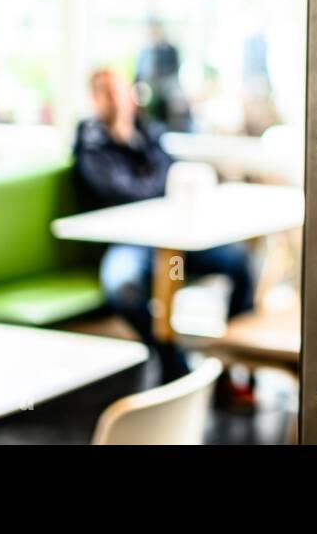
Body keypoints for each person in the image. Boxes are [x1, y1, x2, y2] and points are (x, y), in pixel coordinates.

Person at [73, 68, 255, 384]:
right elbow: (119, 192)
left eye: (119, 89)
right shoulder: (91, 140)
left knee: (239, 262)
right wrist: (152, 182)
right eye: (105, 91)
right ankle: (173, 361)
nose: (115, 97)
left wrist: (151, 181)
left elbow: (167, 174)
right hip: (128, 240)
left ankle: (231, 366)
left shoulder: (147, 131)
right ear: (94, 99)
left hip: (172, 243)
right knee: (122, 286)